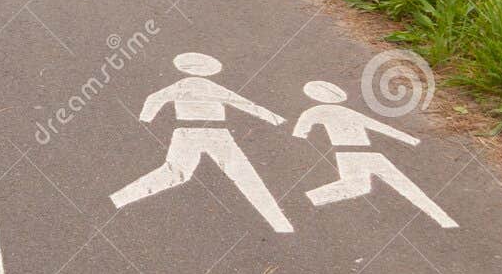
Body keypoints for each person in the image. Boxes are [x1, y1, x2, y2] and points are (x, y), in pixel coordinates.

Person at [110, 53, 293, 233]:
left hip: (188, 132)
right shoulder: (209, 86)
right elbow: (242, 102)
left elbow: (154, 98)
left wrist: (146, 120)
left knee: (174, 173)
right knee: (244, 175)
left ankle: (119, 198)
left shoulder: (182, 84)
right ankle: (281, 225)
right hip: (216, 133)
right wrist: (275, 119)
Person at [292, 81, 456, 228]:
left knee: (401, 185)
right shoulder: (322, 112)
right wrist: (407, 139)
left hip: (357, 154)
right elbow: (377, 126)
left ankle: (442, 218)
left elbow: (301, 133)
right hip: (354, 154)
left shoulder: (315, 112)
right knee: (366, 186)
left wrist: (408, 139)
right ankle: (308, 199)